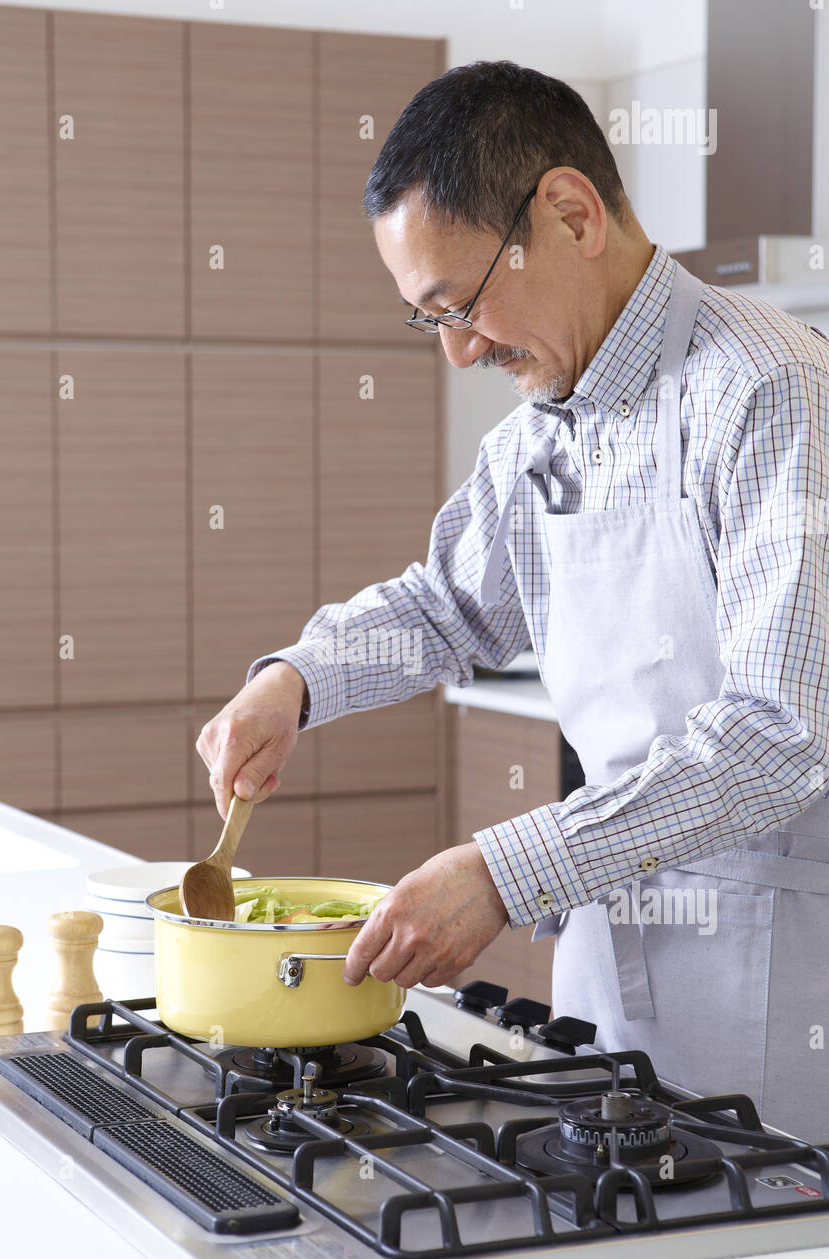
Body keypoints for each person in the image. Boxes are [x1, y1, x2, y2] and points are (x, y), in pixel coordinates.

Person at [197, 62, 829, 1139]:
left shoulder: (769, 389)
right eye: (425, 319)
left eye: (460, 302)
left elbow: (778, 735)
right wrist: (293, 680)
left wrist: (503, 868)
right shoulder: (541, 431)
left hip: (769, 979)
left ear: (569, 213)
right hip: (605, 956)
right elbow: (448, 604)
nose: (458, 349)